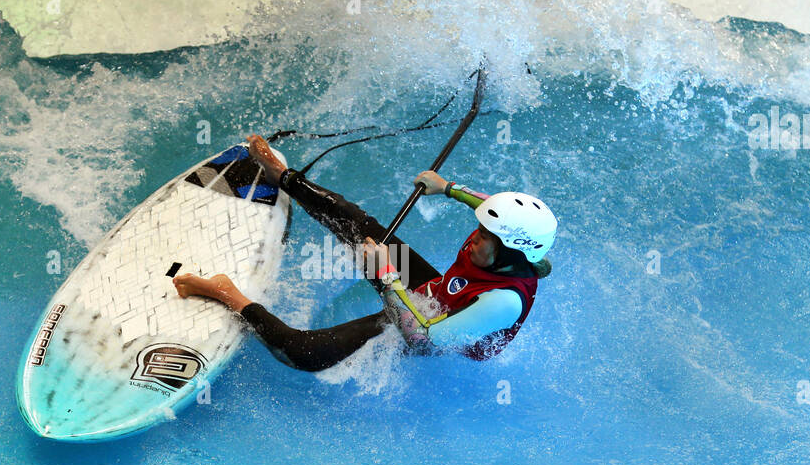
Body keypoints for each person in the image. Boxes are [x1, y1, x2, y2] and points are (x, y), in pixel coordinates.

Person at [173, 134, 556, 372]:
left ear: (510, 251)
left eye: (486, 237)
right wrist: (448, 187)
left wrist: (387, 274)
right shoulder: (507, 243)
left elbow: (423, 340)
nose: (474, 238)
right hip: (435, 294)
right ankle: (283, 178)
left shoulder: (503, 302)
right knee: (358, 223)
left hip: (430, 329)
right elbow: (489, 204)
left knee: (305, 353)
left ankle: (226, 293)